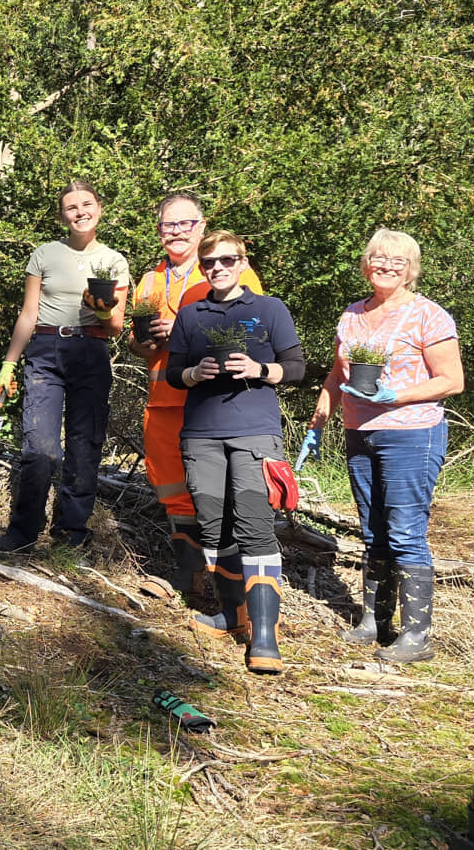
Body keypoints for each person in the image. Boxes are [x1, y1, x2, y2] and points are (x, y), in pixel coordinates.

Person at [300, 229, 463, 663]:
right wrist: (317, 425)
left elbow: (452, 380)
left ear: (412, 269)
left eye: (398, 261)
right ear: (366, 263)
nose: (387, 266)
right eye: (378, 258)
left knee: (406, 531)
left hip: (411, 433)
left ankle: (417, 635)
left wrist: (396, 396)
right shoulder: (352, 315)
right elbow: (337, 377)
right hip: (359, 433)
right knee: (372, 529)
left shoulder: (429, 315)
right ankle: (376, 619)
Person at [166, 231, 305, 674]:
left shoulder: (269, 308)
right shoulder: (191, 314)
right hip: (201, 433)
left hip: (254, 434)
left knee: (254, 523)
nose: (218, 268)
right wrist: (193, 372)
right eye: (209, 262)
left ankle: (264, 634)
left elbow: (298, 368)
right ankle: (231, 615)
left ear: (243, 263)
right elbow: (172, 374)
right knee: (212, 522)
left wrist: (260, 369)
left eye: (227, 260)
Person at [127, 192, 263, 604]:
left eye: (185, 224)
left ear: (202, 226)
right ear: (159, 231)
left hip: (213, 402)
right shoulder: (150, 280)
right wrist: (148, 341)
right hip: (163, 400)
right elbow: (137, 345)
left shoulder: (228, 271)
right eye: (169, 225)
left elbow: (251, 329)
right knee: (174, 491)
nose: (177, 233)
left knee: (220, 491)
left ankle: (235, 595)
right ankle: (188, 577)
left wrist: (186, 332)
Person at [0, 180, 128, 552]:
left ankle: (70, 535)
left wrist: (102, 310)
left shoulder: (113, 261)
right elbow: (28, 313)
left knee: (85, 445)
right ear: (62, 216)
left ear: (99, 208)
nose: (80, 212)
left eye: (87, 204)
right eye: (71, 207)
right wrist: (9, 363)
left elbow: (116, 327)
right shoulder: (45, 254)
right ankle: (22, 533)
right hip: (46, 350)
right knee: (40, 447)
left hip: (91, 352)